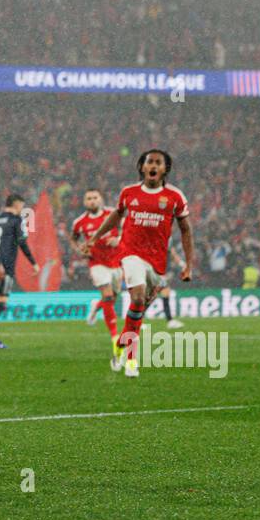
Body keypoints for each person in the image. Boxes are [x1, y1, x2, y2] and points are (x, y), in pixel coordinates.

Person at [90, 150, 194, 378]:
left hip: (157, 262)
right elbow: (117, 215)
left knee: (138, 311)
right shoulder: (129, 193)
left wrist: (188, 264)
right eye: (150, 162)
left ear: (165, 169)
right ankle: (131, 359)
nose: (154, 166)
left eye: (159, 162)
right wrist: (97, 235)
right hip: (131, 253)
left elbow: (185, 230)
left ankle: (119, 348)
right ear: (142, 167)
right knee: (137, 298)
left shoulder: (175, 197)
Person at [72, 188, 124, 359]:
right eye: (89, 198)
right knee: (108, 296)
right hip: (97, 263)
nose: (92, 201)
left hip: (117, 262)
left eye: (95, 197)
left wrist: (119, 240)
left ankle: (97, 306)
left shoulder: (113, 214)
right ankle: (115, 338)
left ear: (101, 199)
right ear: (84, 202)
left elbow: (128, 229)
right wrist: (79, 250)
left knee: (112, 297)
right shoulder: (80, 222)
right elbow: (74, 238)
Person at [0, 193, 39, 349]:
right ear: (16, 204)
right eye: (22, 206)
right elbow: (22, 243)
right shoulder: (16, 220)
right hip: (5, 267)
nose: (22, 209)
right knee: (1, 302)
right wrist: (33, 263)